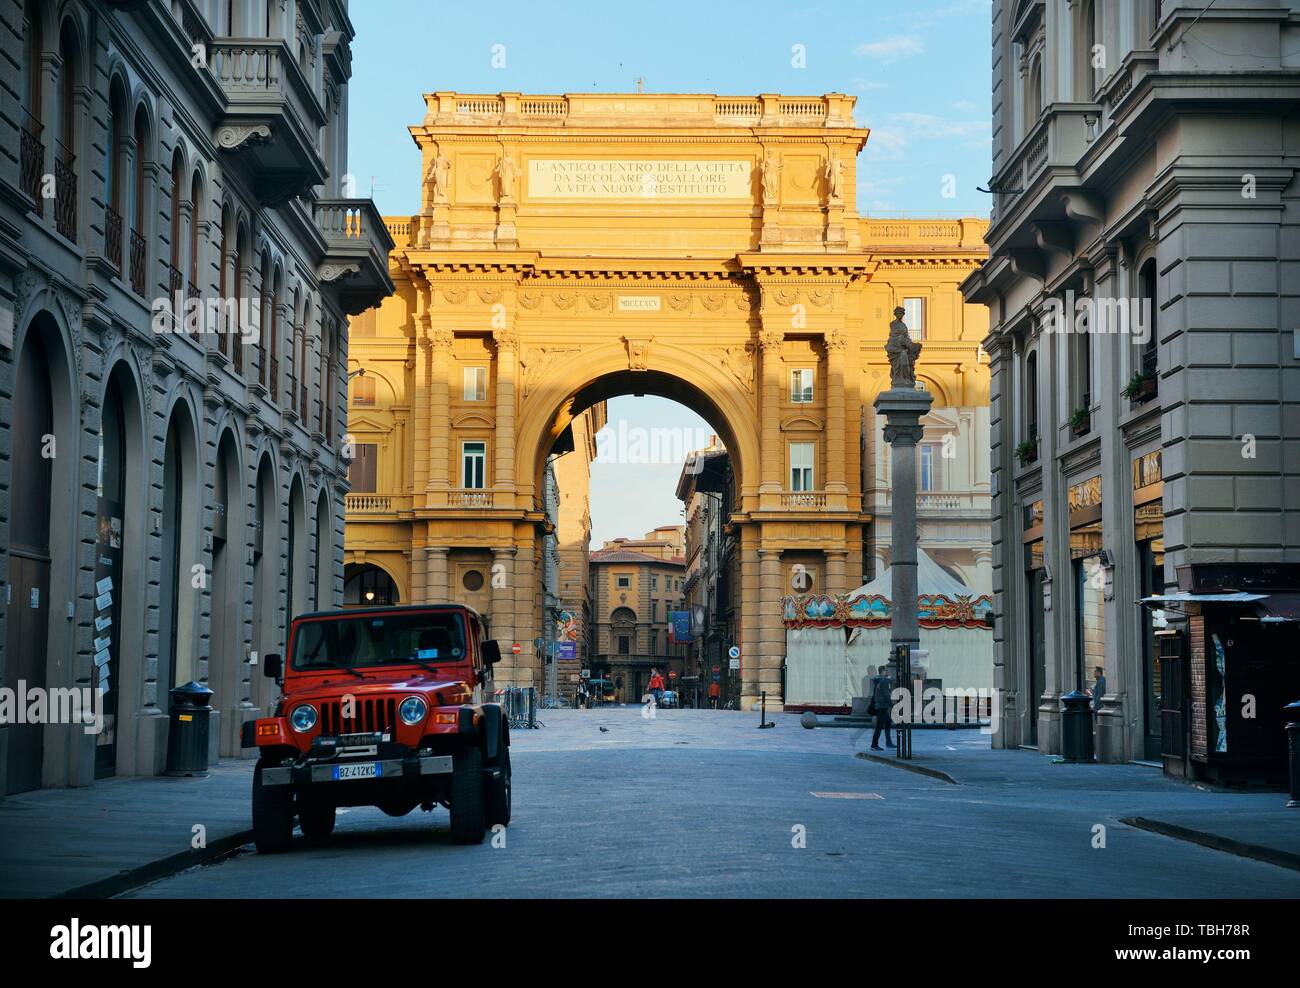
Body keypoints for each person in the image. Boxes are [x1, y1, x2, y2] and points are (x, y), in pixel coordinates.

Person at [868, 665, 895, 751]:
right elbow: (886, 694)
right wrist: (891, 704)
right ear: (883, 671)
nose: (888, 672)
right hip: (882, 706)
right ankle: (874, 745)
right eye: (886, 671)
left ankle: (888, 742)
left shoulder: (879, 679)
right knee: (879, 726)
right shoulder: (883, 680)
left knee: (887, 723)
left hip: (880, 705)